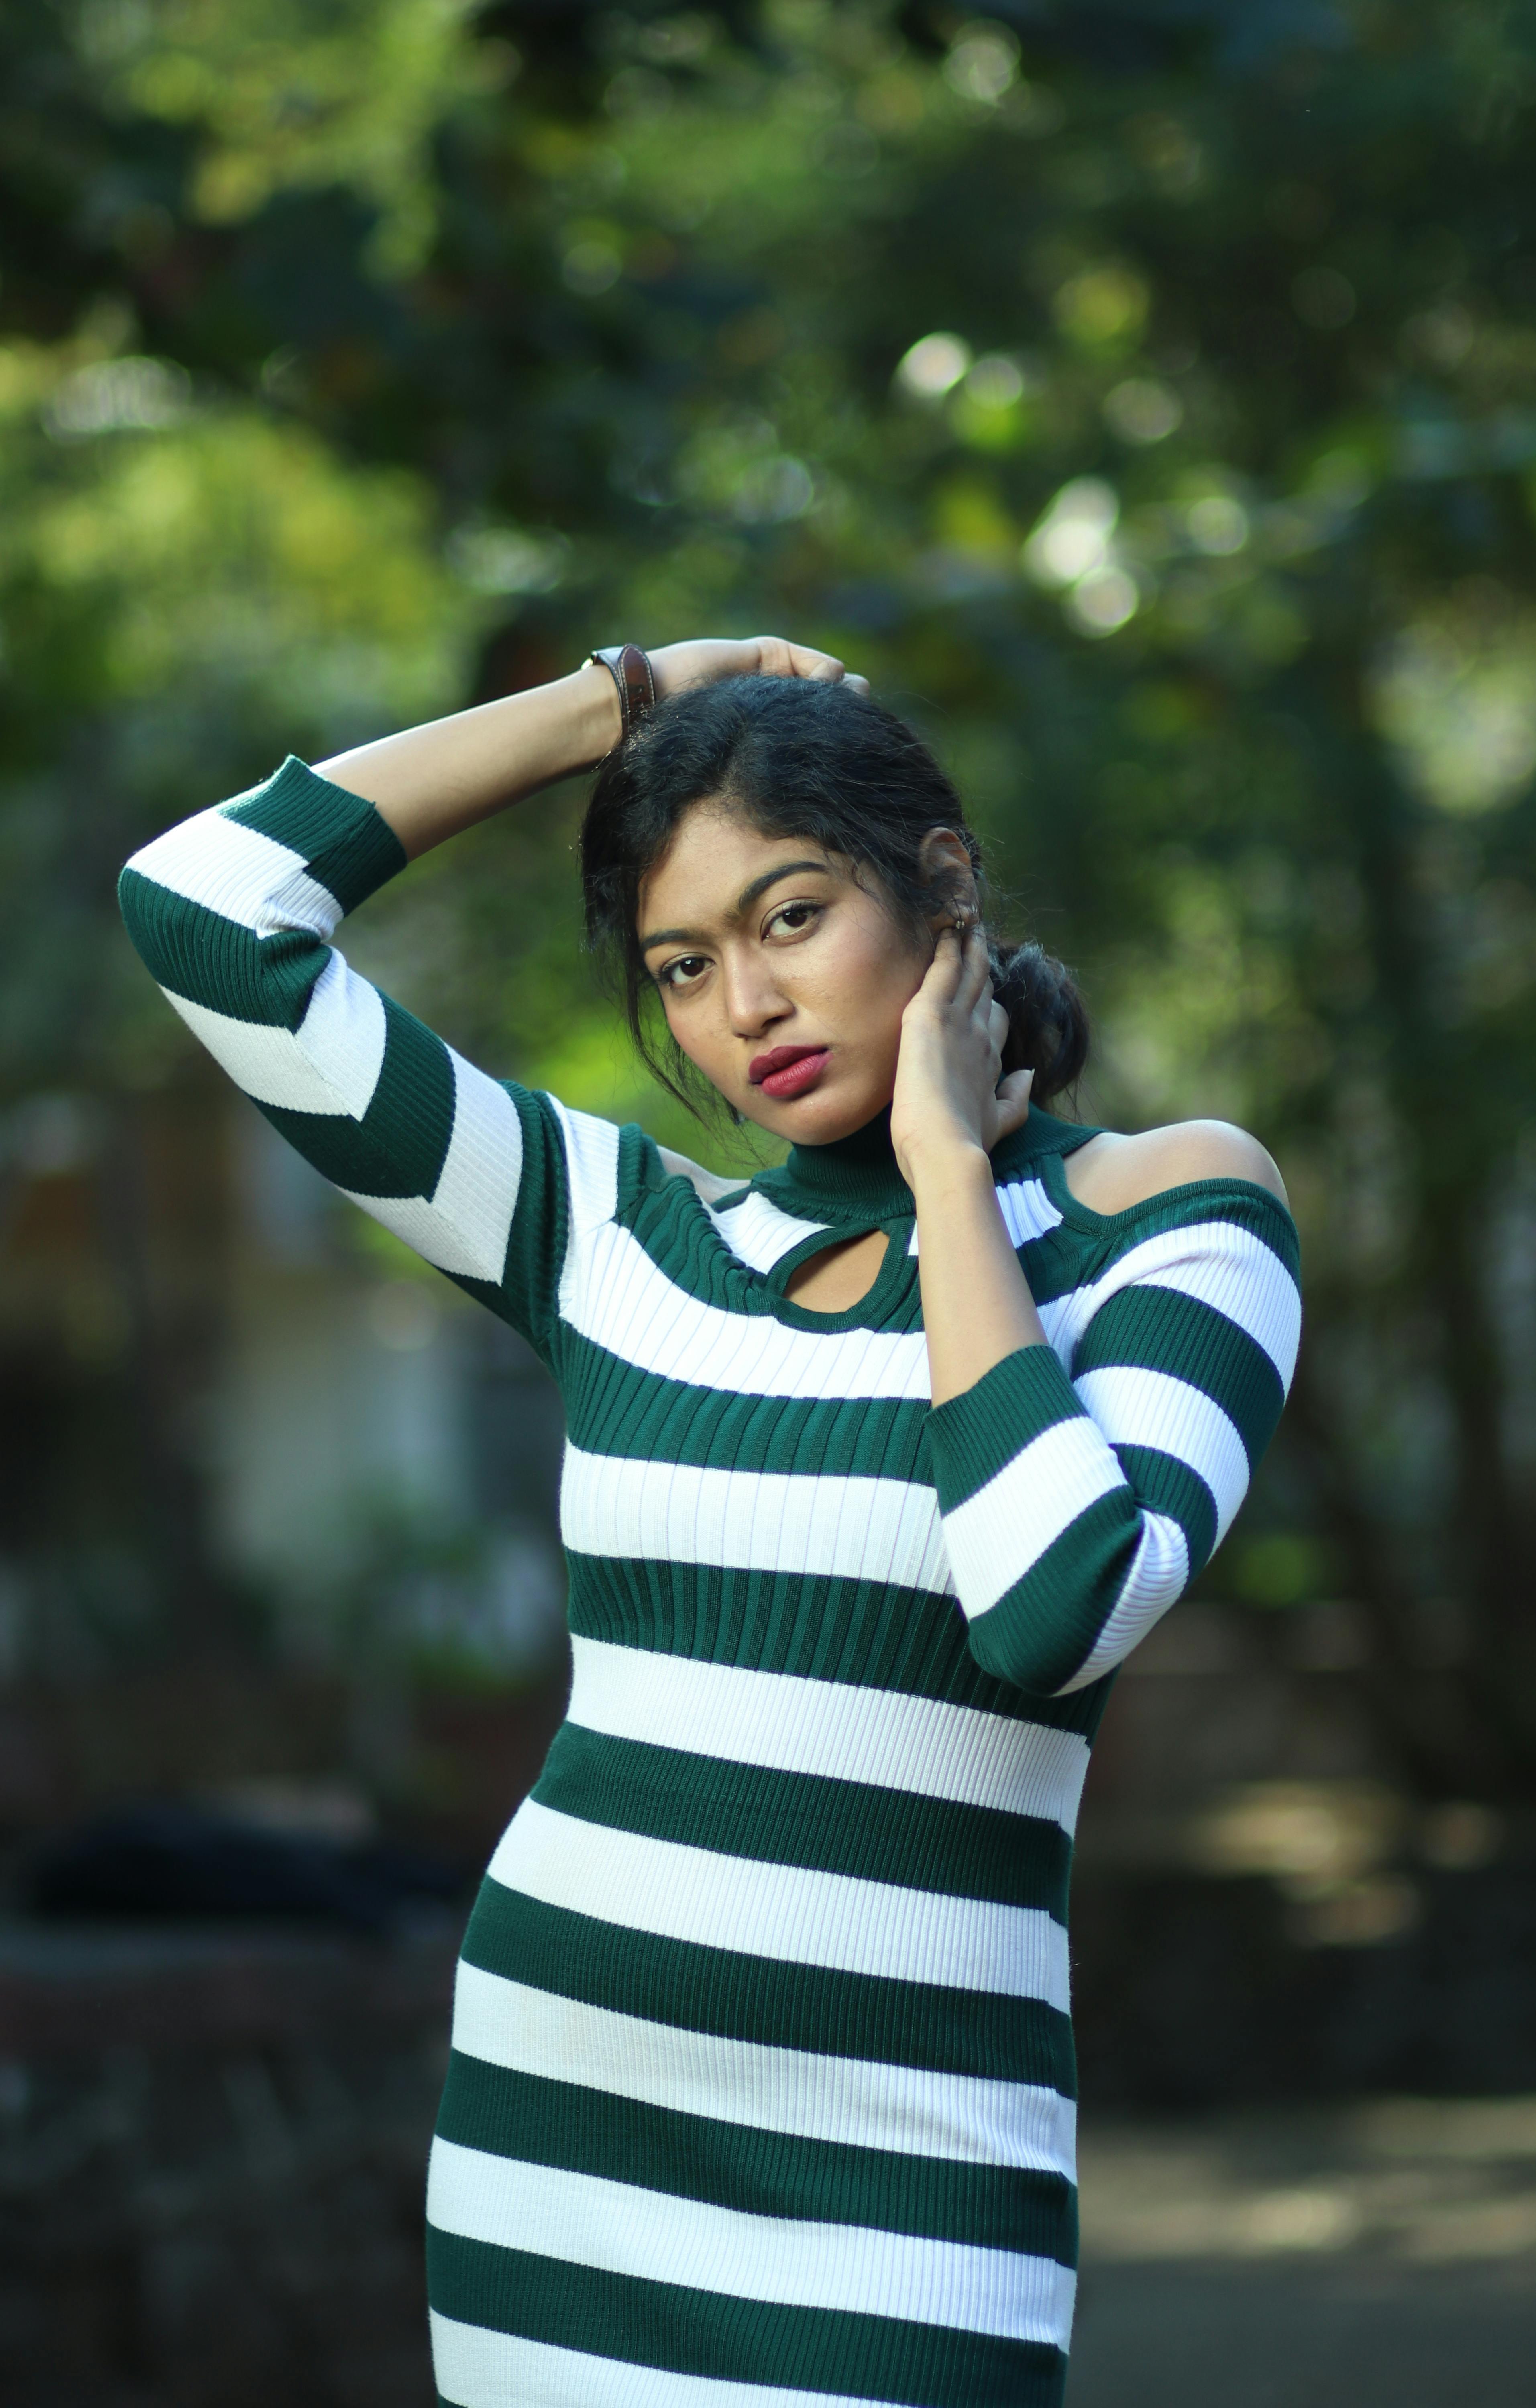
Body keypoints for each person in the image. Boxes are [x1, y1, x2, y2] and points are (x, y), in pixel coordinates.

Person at [119, 635, 1300, 2407]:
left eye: (791, 916)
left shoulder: (1164, 1215)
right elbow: (207, 910)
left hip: (902, 2204)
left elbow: (1054, 1601)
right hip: (558, 2174)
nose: (743, 1004)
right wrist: (625, 699)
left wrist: (949, 1175)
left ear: (943, 886)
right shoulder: (615, 1234)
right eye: (681, 965)